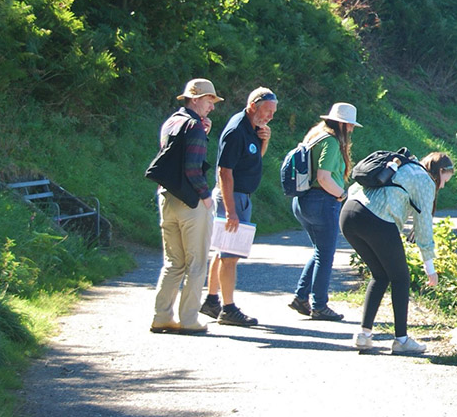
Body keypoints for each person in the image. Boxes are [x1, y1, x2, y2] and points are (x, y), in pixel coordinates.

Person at [339, 151, 454, 353]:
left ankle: (364, 335)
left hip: (348, 215)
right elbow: (424, 223)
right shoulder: (424, 180)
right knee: (401, 278)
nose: (444, 185)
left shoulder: (401, 165)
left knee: (381, 275)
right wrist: (430, 266)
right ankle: (401, 340)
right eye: (446, 179)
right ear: (441, 171)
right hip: (376, 219)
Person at [147, 78, 223, 335]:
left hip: (166, 199)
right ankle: (189, 319)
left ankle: (162, 317)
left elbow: (176, 157)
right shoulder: (195, 128)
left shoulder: (171, 122)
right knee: (197, 262)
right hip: (191, 203)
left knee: (173, 262)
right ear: (196, 99)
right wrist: (206, 197)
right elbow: (192, 167)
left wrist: (204, 133)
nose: (211, 107)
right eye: (209, 100)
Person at [200, 87, 278, 327]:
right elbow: (225, 171)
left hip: (240, 196)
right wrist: (231, 210)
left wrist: (265, 139)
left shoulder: (252, 127)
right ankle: (228, 308)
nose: (270, 116)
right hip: (231, 197)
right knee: (230, 257)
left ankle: (212, 300)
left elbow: (255, 159)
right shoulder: (236, 130)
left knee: (223, 251)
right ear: (253, 105)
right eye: (267, 110)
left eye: (273, 113)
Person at [289, 102, 361, 321]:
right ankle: (320, 305)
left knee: (320, 250)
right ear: (341, 124)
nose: (350, 130)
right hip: (322, 200)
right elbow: (323, 177)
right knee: (326, 254)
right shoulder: (330, 141)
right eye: (349, 126)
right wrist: (343, 195)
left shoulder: (315, 135)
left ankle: (301, 297)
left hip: (301, 201)